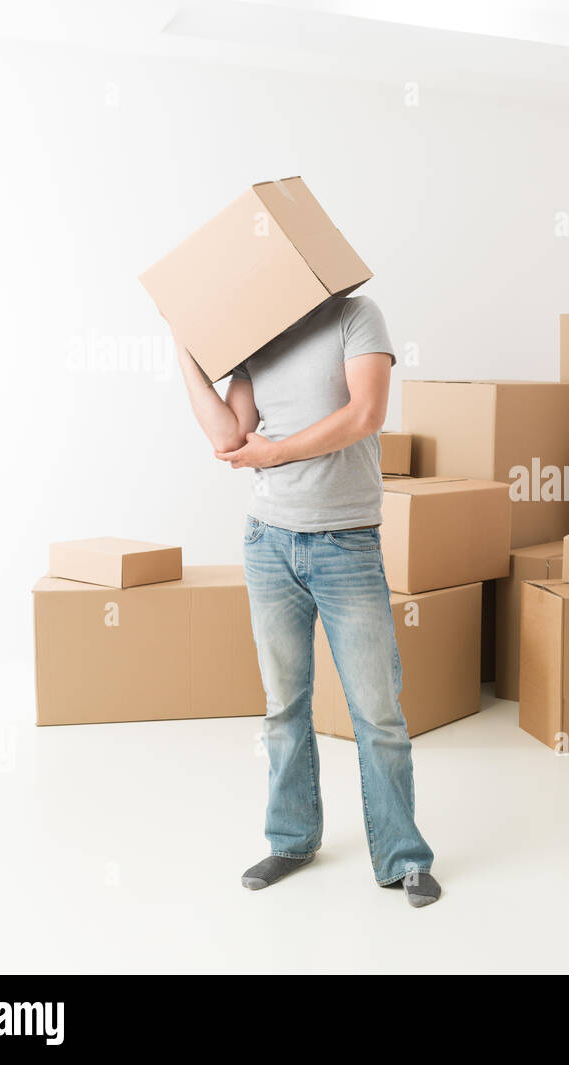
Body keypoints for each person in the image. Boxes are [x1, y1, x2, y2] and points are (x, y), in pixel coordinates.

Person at [172, 293, 439, 907]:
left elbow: (366, 413)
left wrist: (277, 452)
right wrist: (185, 349)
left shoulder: (355, 316)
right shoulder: (254, 334)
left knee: (377, 712)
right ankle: (292, 840)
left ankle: (402, 858)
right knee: (282, 706)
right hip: (268, 541)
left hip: (345, 543)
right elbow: (228, 436)